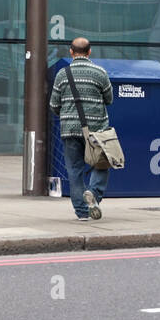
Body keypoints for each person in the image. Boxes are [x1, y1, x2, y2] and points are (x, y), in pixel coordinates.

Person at [49, 37, 112, 221]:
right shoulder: (100, 72)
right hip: (97, 129)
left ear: (71, 52)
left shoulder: (62, 74)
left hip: (70, 129)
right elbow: (109, 99)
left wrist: (67, 114)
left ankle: (82, 212)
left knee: (74, 170)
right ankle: (93, 194)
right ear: (89, 52)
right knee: (102, 163)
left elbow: (54, 104)